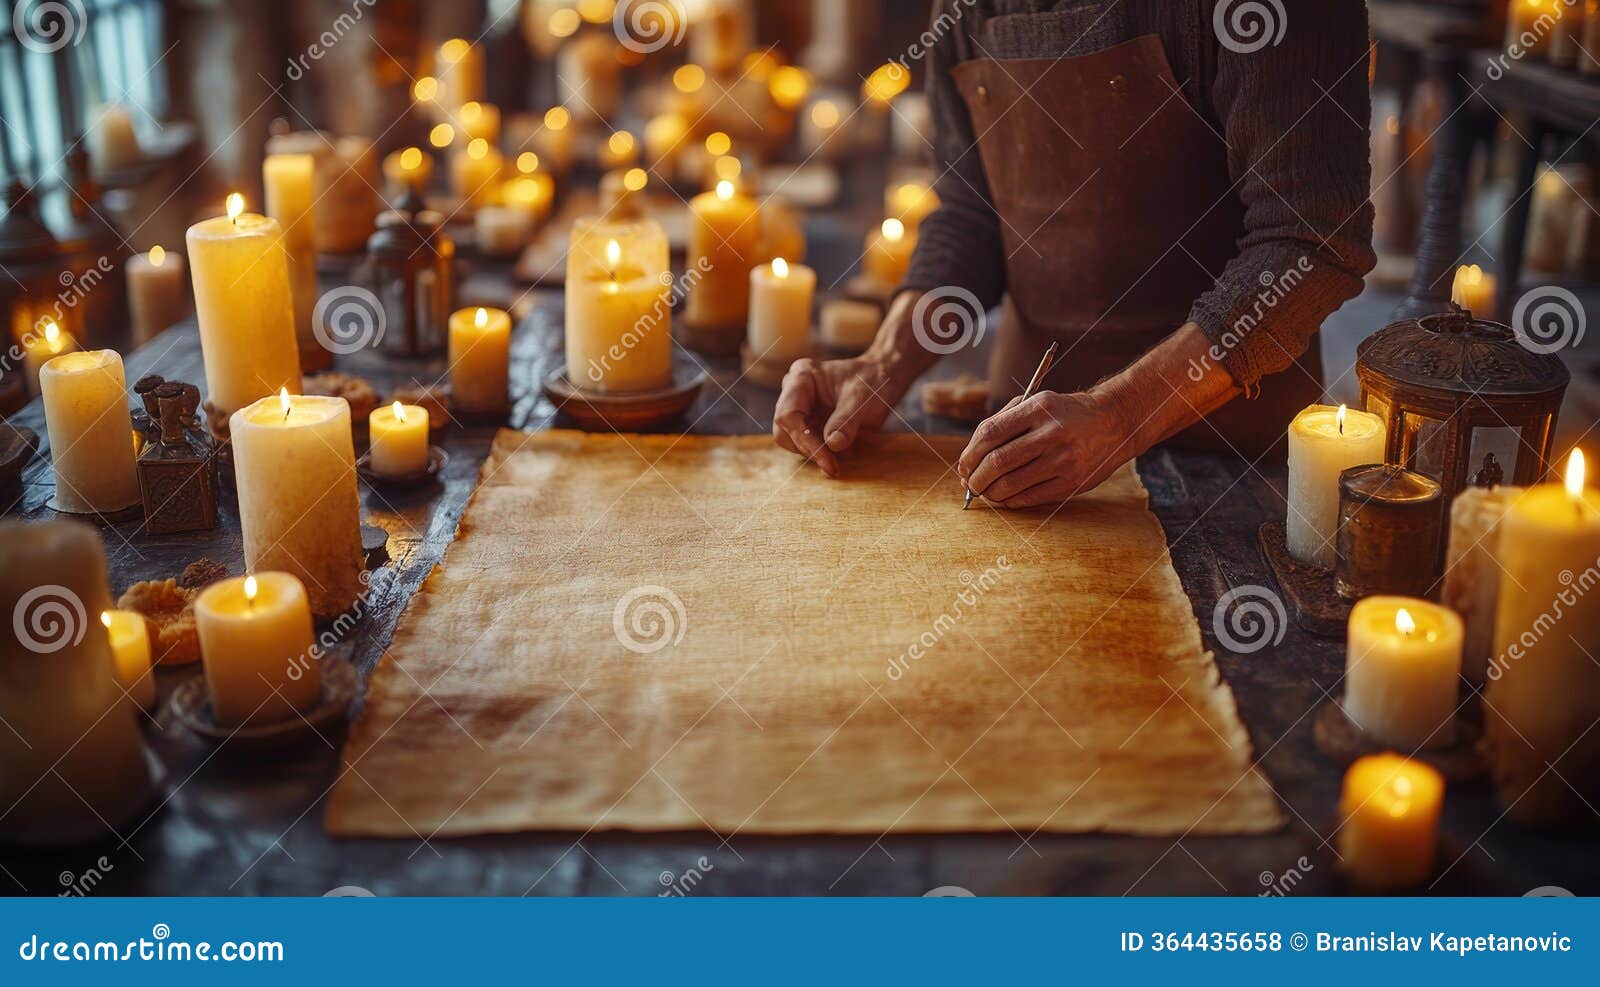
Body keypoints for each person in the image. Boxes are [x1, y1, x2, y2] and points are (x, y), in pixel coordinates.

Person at [773, 0, 1375, 508]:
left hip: (1224, 470)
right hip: (1019, 455)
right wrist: (883, 365)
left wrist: (1119, 416)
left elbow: (1312, 241)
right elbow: (973, 213)